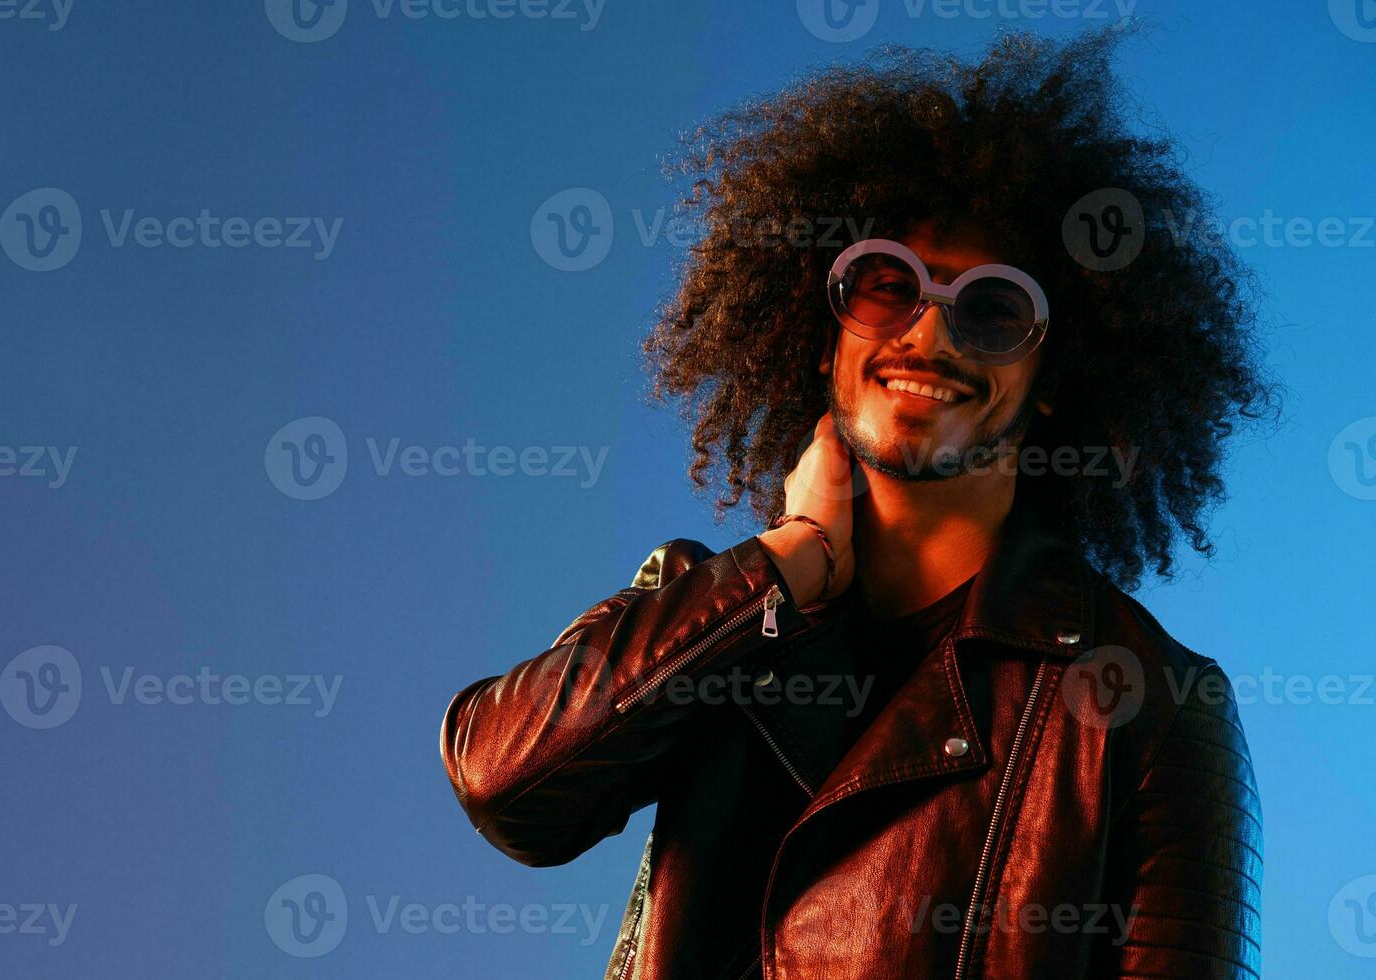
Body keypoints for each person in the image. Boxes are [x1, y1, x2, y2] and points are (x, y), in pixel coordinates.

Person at [441, 26, 1272, 979]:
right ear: (823, 334)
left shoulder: (1152, 700)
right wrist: (783, 563)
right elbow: (506, 790)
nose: (930, 333)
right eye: (887, 287)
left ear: (1053, 379)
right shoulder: (704, 605)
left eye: (993, 309)